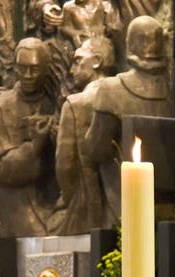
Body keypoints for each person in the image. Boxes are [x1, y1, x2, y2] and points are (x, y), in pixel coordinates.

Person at [85, 14, 174, 226]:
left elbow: (96, 149)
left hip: (122, 206)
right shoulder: (174, 89)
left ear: (129, 45)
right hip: (168, 208)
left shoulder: (111, 90)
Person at [0, 37, 58, 236]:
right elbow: (0, 171)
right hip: (21, 205)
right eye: (21, 68)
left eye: (34, 69)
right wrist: (35, 145)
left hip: (57, 200)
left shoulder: (58, 101)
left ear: (46, 68)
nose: (27, 75)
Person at [53, 35, 115, 234]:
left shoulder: (75, 104)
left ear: (96, 61)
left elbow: (65, 166)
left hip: (85, 209)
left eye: (78, 60)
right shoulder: (124, 97)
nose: (72, 70)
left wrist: (72, 199)